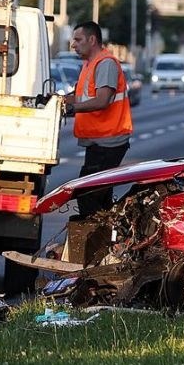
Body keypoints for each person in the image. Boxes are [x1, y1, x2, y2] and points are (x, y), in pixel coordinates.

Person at [64, 21, 133, 218]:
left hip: (108, 142)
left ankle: (95, 242)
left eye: (78, 39)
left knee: (88, 195)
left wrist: (71, 109)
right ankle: (107, 241)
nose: (73, 45)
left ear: (92, 39)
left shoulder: (106, 63)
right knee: (98, 197)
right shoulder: (89, 65)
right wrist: (57, 100)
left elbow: (103, 100)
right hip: (98, 142)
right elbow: (82, 96)